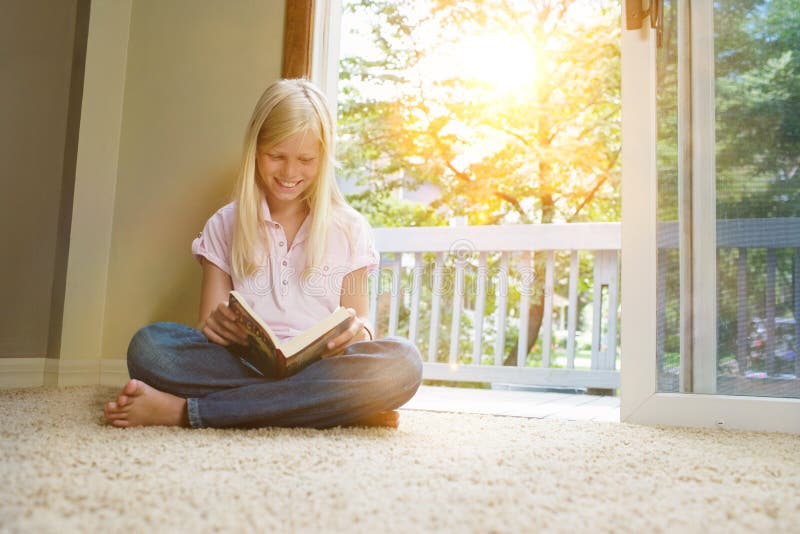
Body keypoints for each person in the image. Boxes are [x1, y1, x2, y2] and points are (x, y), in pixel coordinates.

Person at [103, 79, 422, 429]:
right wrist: (216, 326)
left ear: (323, 160)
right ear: (256, 150)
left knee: (403, 363)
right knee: (149, 348)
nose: (289, 173)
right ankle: (334, 406)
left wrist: (359, 334)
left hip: (322, 369)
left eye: (305, 160)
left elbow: (360, 324)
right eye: (276, 156)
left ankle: (187, 412)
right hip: (243, 364)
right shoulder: (225, 224)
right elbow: (208, 322)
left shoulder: (350, 228)